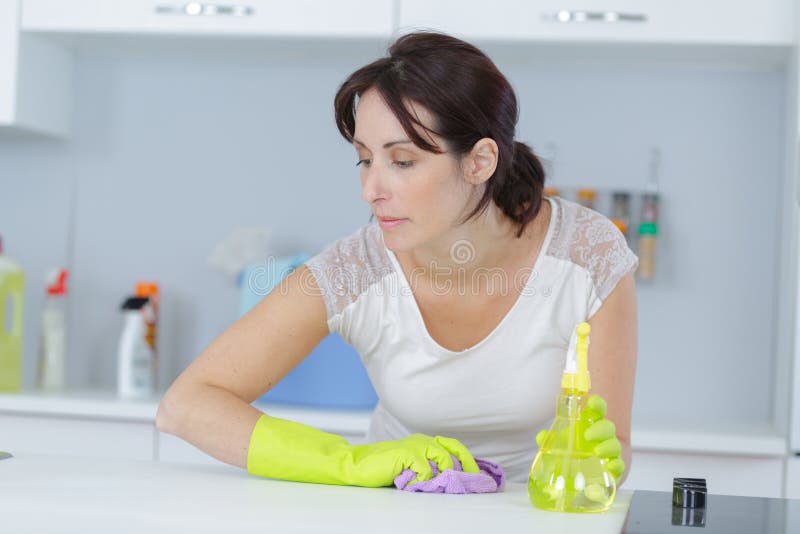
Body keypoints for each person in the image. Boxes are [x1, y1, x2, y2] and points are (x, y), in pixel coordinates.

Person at [156, 31, 638, 487]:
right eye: (364, 159)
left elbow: (611, 445)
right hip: (396, 510)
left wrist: (598, 463)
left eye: (402, 161)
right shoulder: (356, 269)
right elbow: (186, 404)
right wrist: (348, 462)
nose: (370, 190)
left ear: (480, 162)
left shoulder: (586, 254)